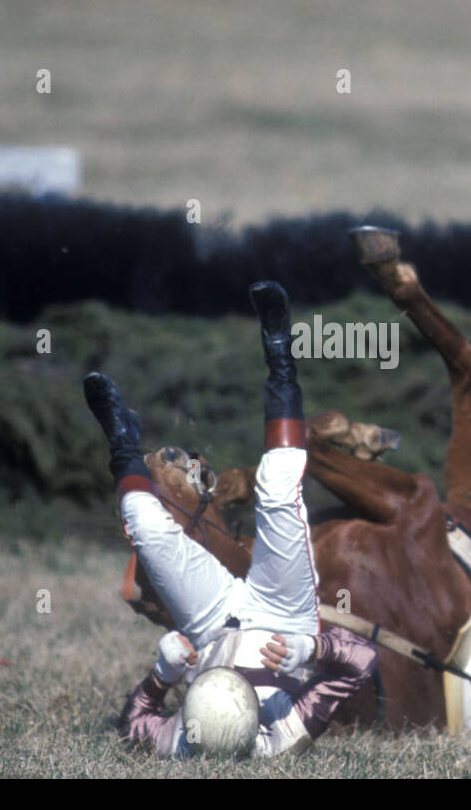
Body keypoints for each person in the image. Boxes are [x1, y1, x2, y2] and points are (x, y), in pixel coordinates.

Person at [83, 280, 378, 758]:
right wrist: (311, 650)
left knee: (147, 531)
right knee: (277, 489)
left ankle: (122, 440)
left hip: (209, 625)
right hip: (283, 615)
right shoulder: (284, 736)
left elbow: (133, 725)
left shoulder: (184, 743)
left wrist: (161, 677)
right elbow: (363, 660)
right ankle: (280, 351)